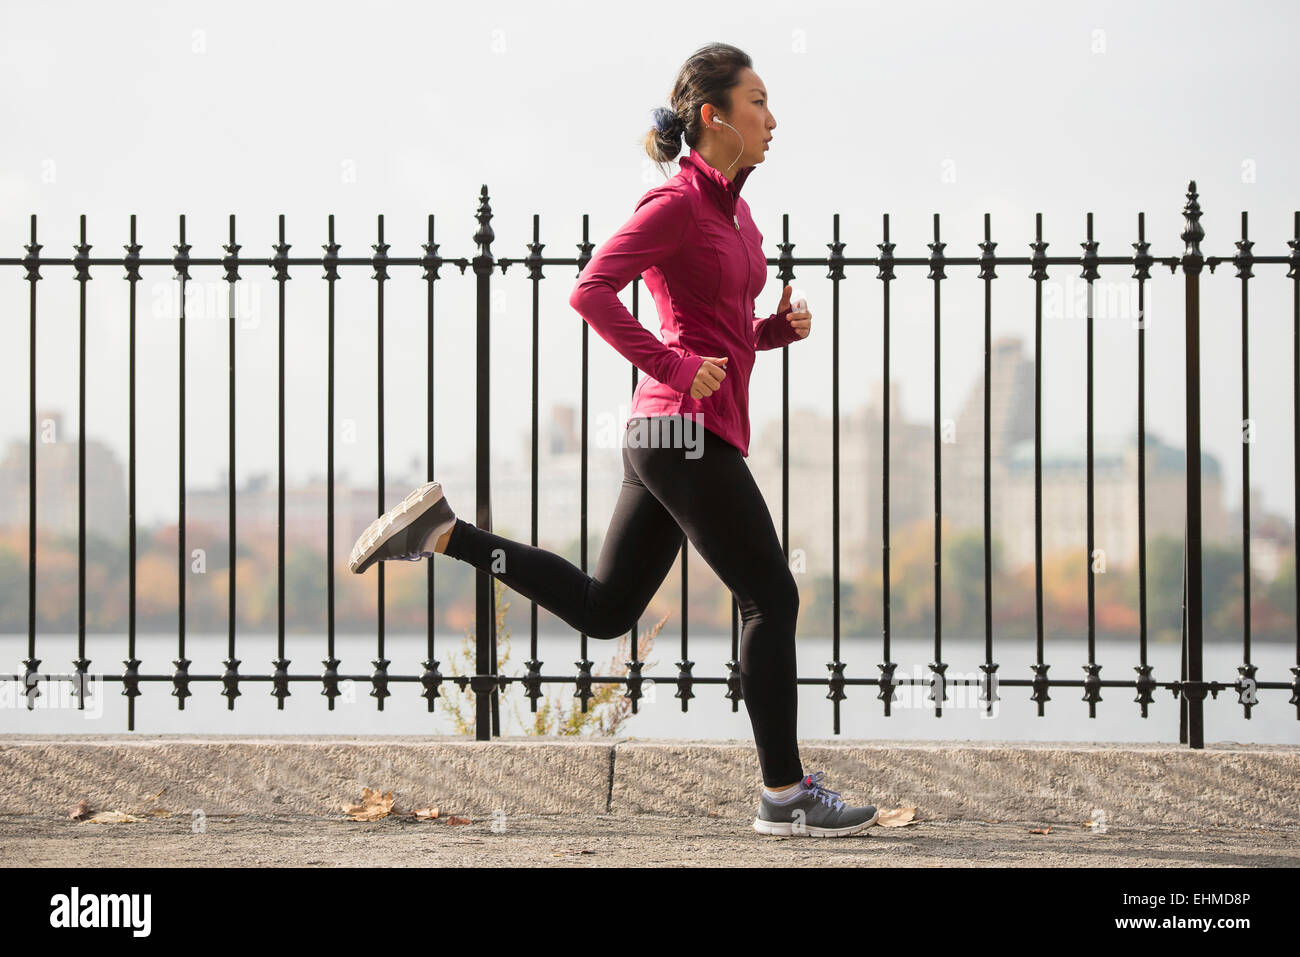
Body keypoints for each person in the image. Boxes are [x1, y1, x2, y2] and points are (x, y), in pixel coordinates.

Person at [348, 42, 878, 838]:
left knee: (605, 610)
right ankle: (783, 793)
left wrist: (770, 331)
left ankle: (444, 532)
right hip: (679, 432)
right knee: (771, 594)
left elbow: (716, 328)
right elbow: (589, 290)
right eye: (758, 101)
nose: (773, 118)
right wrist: (669, 361)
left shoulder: (737, 213)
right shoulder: (673, 205)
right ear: (714, 117)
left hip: (682, 433)